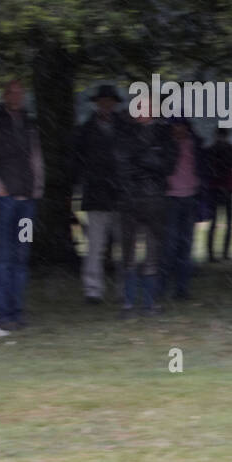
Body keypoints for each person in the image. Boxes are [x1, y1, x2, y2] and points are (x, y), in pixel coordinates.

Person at [0, 79, 43, 330]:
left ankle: (16, 310)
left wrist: (37, 189)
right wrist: (1, 191)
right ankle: (2, 312)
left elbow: (36, 159)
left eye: (20, 93)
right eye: (12, 93)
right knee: (2, 258)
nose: (17, 97)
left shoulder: (29, 124)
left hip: (27, 205)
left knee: (21, 256)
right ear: (5, 95)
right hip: (5, 204)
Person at [115, 95, 175, 315]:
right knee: (128, 251)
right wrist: (149, 161)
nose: (142, 111)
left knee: (153, 251)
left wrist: (142, 160)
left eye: (147, 106)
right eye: (139, 106)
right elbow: (121, 164)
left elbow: (167, 165)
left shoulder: (164, 133)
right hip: (131, 198)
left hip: (154, 199)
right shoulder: (125, 133)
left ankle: (150, 302)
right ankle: (129, 302)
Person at [72, 84, 125, 303]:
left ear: (113, 103)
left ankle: (125, 288)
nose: (106, 105)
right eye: (102, 101)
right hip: (96, 194)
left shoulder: (124, 128)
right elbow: (77, 162)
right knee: (94, 246)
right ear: (97, 103)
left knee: (124, 245)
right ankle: (93, 290)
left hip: (121, 195)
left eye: (109, 101)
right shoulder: (85, 131)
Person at [161, 117, 204, 299]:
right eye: (175, 127)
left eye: (181, 126)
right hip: (171, 199)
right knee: (169, 246)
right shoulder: (165, 146)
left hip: (190, 199)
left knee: (185, 246)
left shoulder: (195, 147)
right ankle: (162, 287)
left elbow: (202, 170)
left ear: (187, 128)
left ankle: (181, 289)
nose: (178, 130)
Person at [204, 127, 232, 261]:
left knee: (217, 223)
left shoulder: (214, 150)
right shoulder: (227, 149)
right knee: (223, 222)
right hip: (222, 188)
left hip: (218, 188)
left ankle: (216, 253)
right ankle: (221, 253)